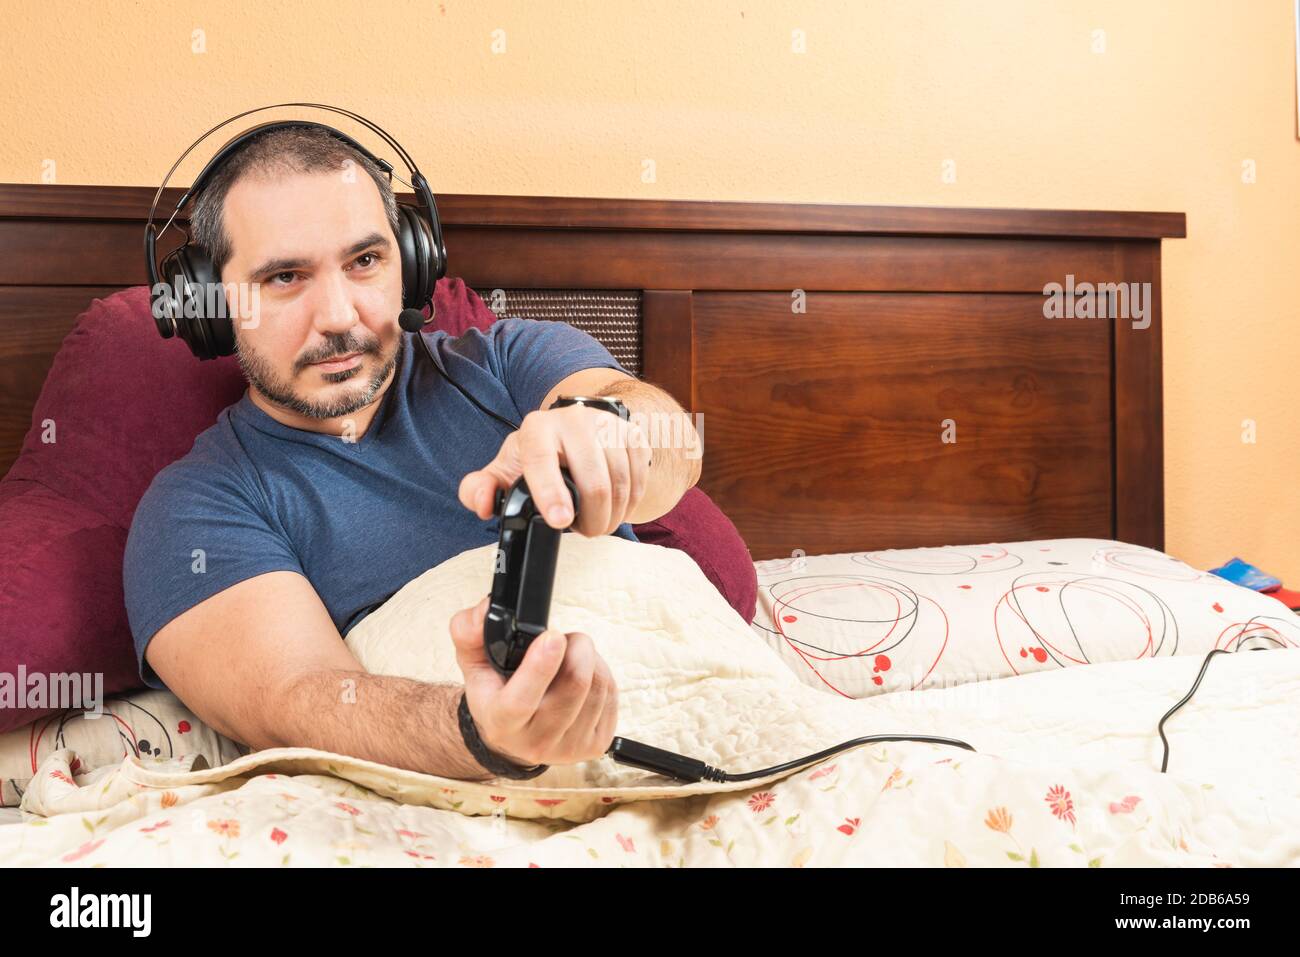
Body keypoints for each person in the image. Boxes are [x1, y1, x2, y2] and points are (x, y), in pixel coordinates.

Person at [124, 126, 701, 781]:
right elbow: (299, 700)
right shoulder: (195, 510)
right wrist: (484, 733)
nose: (340, 315)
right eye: (285, 277)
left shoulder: (512, 362)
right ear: (207, 302)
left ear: (414, 259)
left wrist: (607, 429)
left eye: (365, 261)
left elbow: (677, 447)